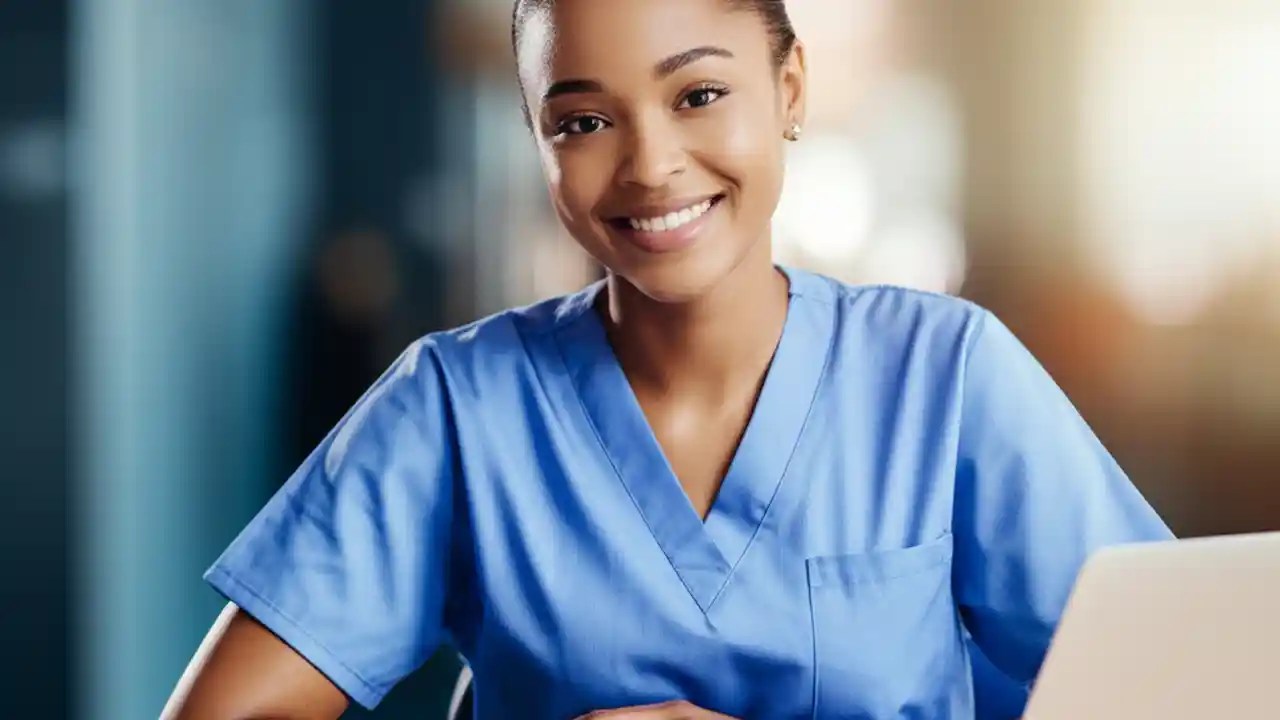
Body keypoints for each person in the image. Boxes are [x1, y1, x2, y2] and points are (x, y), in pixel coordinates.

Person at [161, 1, 1172, 718]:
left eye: (697, 94)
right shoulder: (456, 409)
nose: (648, 165)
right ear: (538, 143)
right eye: (583, 121)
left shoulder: (941, 376)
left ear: (787, 91)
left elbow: (1182, 692)